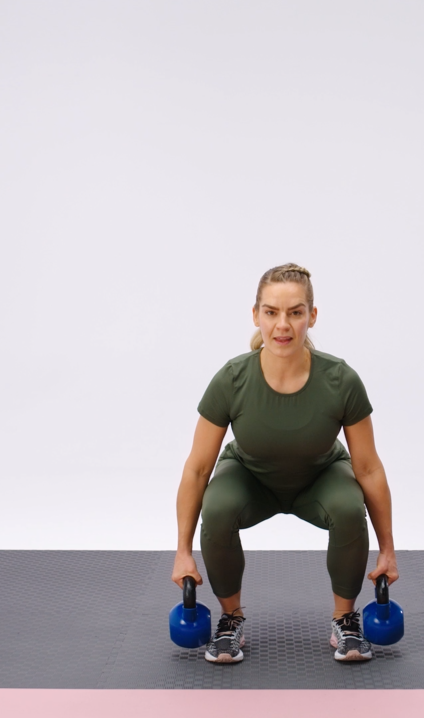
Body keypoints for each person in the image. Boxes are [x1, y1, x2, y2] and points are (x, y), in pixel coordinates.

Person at [171, 263, 399, 664]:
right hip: (250, 477)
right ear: (256, 315)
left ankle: (345, 620)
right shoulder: (232, 379)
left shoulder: (340, 380)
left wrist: (388, 550)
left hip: (320, 477)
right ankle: (231, 620)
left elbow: (368, 469)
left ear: (312, 316)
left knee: (348, 506)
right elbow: (197, 470)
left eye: (295, 312)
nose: (283, 325)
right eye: (272, 312)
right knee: (218, 505)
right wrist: (182, 551)